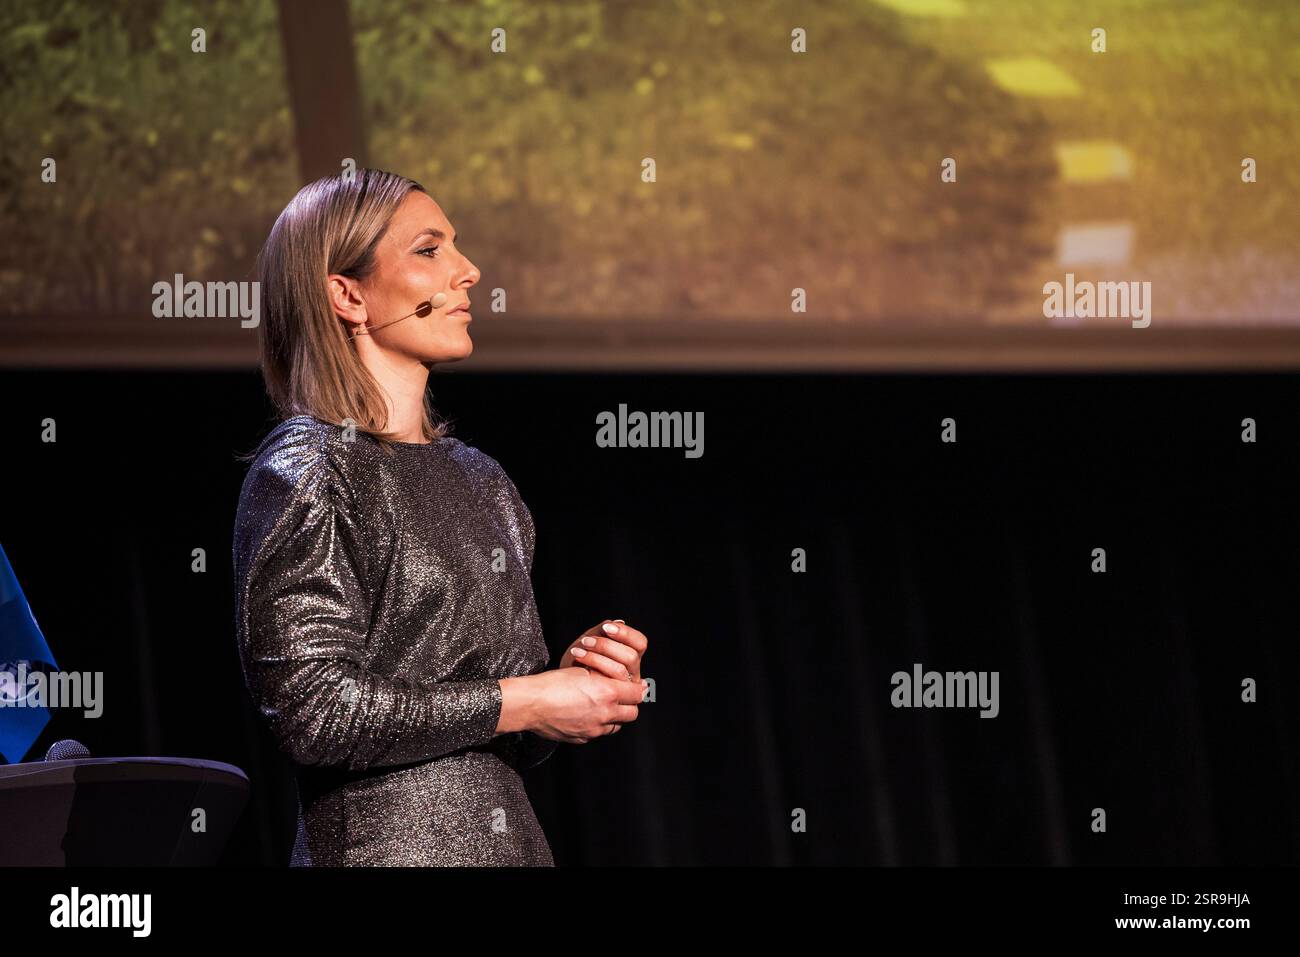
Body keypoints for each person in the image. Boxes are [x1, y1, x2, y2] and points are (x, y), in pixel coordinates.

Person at [232, 168, 648, 865]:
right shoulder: (309, 468)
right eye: (429, 250)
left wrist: (566, 687)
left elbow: (493, 720)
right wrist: (525, 698)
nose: (468, 270)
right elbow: (315, 711)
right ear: (348, 294)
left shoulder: (482, 480)